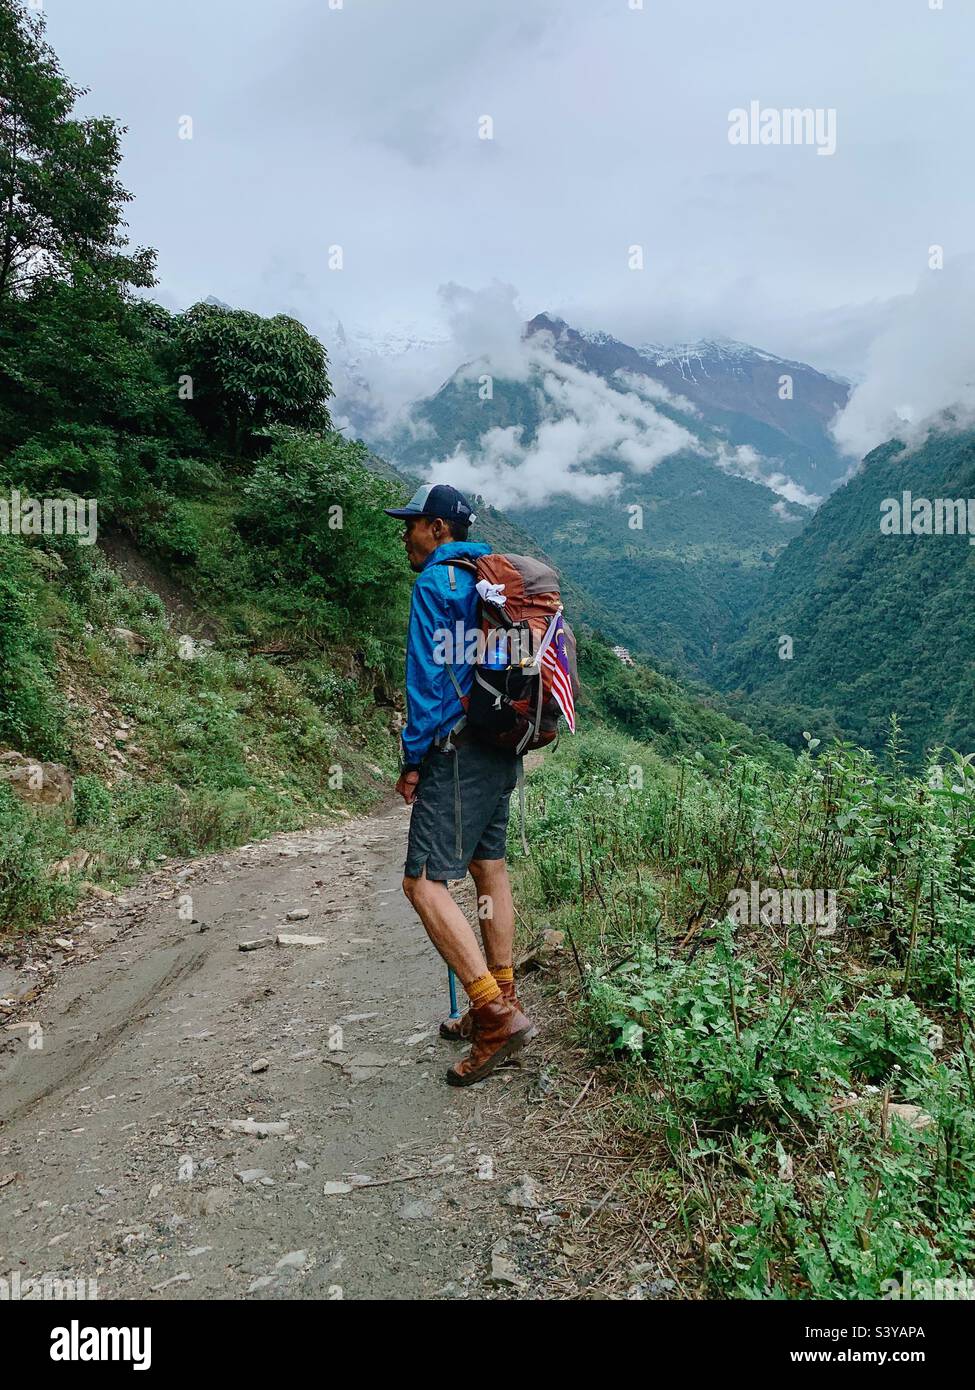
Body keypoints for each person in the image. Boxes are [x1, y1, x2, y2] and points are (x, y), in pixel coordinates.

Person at [384, 483, 535, 1086]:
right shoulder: (490, 578)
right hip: (503, 746)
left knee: (422, 882)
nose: (405, 534)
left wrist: (413, 760)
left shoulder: (434, 585)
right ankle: (505, 994)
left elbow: (425, 682)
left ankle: (492, 1014)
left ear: (439, 529)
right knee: (487, 866)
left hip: (455, 750)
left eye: (413, 524)